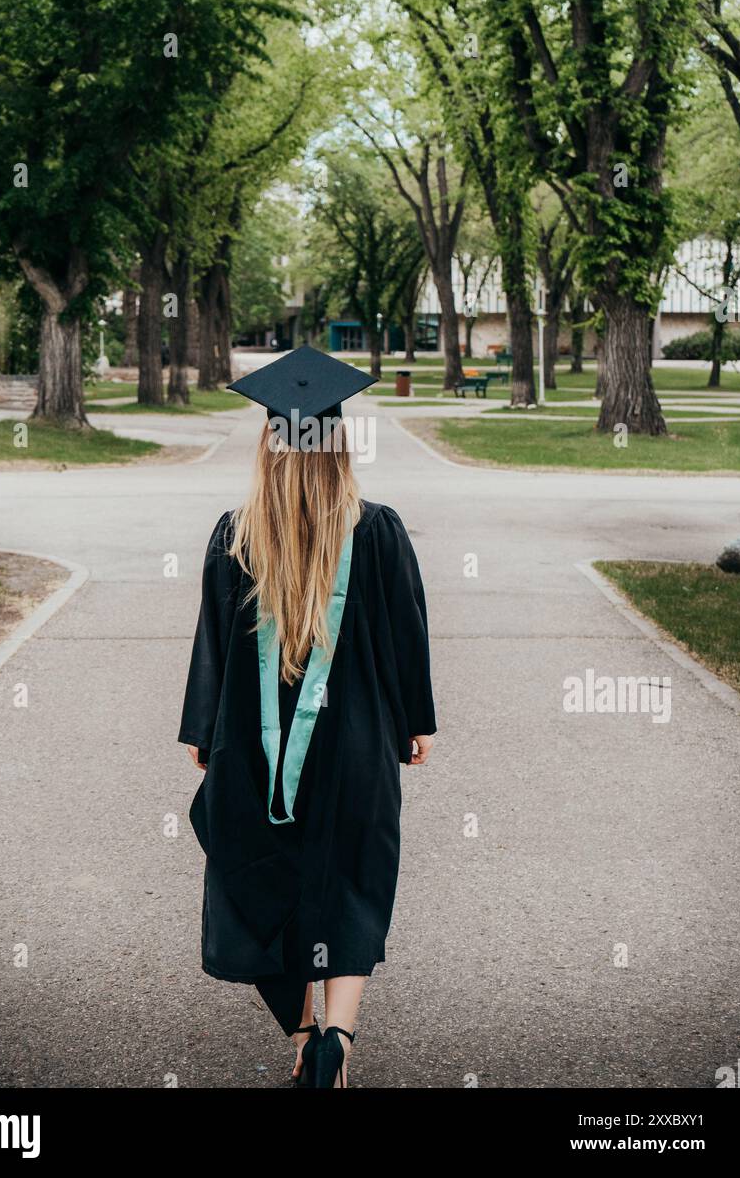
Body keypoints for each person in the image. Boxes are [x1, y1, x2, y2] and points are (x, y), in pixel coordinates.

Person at [179, 345, 437, 1088]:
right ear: (340, 445)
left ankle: (300, 1031)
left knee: (258, 876)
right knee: (351, 879)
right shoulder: (380, 531)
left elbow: (212, 648)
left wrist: (204, 731)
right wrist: (415, 722)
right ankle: (338, 1043)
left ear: (269, 445)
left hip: (254, 754)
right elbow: (405, 634)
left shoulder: (236, 533)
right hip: (357, 744)